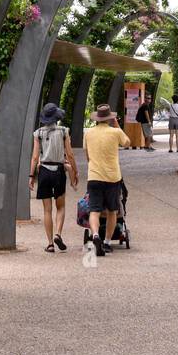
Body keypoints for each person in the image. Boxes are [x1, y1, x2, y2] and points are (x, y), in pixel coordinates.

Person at [29, 102, 78, 252]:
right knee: (61, 206)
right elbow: (69, 154)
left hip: (44, 171)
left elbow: (35, 157)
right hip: (58, 171)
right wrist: (74, 172)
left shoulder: (38, 133)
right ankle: (58, 234)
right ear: (56, 117)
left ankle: (50, 243)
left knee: (47, 210)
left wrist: (31, 176)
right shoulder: (64, 131)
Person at [83, 104, 130, 256]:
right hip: (112, 177)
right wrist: (116, 124)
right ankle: (107, 242)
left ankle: (95, 234)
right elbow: (128, 143)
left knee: (94, 210)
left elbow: (88, 156)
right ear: (110, 118)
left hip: (94, 176)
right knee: (112, 211)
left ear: (97, 119)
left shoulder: (88, 133)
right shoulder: (115, 132)